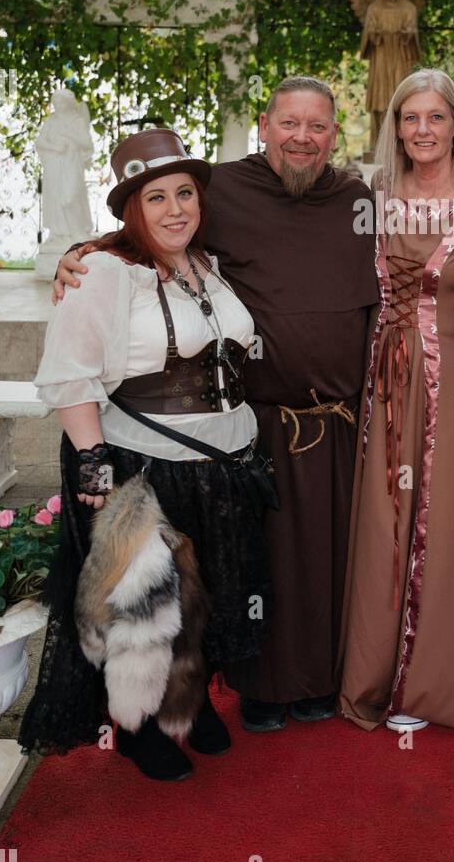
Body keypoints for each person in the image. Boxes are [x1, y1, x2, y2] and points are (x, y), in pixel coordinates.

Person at [54, 79, 380, 733]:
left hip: (333, 423)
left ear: (335, 135)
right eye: (290, 123)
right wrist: (80, 251)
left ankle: (317, 680)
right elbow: (149, 227)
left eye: (318, 127)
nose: (303, 137)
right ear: (264, 125)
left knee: (324, 560)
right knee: (253, 564)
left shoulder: (356, 197)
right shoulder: (224, 188)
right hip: (254, 425)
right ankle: (255, 690)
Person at [21, 128, 274, 781]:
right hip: (142, 465)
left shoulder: (206, 267)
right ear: (132, 208)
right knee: (143, 604)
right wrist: (92, 462)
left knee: (205, 590)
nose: (174, 209)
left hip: (223, 465)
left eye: (184, 193)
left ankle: (186, 702)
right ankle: (136, 728)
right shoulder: (105, 272)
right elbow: (70, 373)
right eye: (155, 197)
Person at [338, 70, 454, 733]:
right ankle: (378, 673)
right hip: (385, 377)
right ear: (396, 127)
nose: (423, 130)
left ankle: (437, 682)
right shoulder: (371, 196)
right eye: (411, 118)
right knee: (386, 518)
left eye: (436, 117)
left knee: (449, 521)